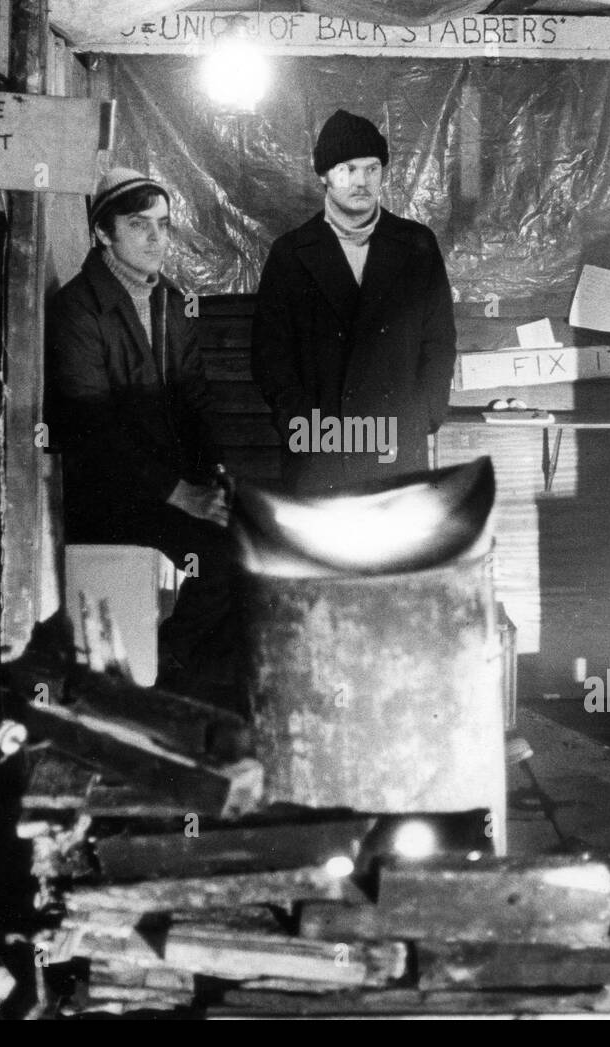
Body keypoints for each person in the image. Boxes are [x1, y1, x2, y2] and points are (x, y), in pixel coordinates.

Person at [48, 167, 237, 701]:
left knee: (247, 542)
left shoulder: (169, 302)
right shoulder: (78, 310)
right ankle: (159, 673)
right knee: (221, 561)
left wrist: (216, 474)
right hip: (111, 498)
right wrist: (185, 496)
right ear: (103, 234)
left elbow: (194, 398)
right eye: (139, 225)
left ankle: (168, 669)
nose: (157, 239)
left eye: (162, 225)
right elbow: (94, 431)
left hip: (165, 489)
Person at [251, 109, 458, 495]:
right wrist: (300, 423)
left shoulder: (416, 245)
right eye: (347, 169)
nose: (362, 181)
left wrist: (424, 416)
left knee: (390, 554)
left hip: (395, 445)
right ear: (325, 176)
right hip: (319, 449)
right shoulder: (291, 253)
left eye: (372, 168)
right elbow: (270, 355)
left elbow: (440, 340)